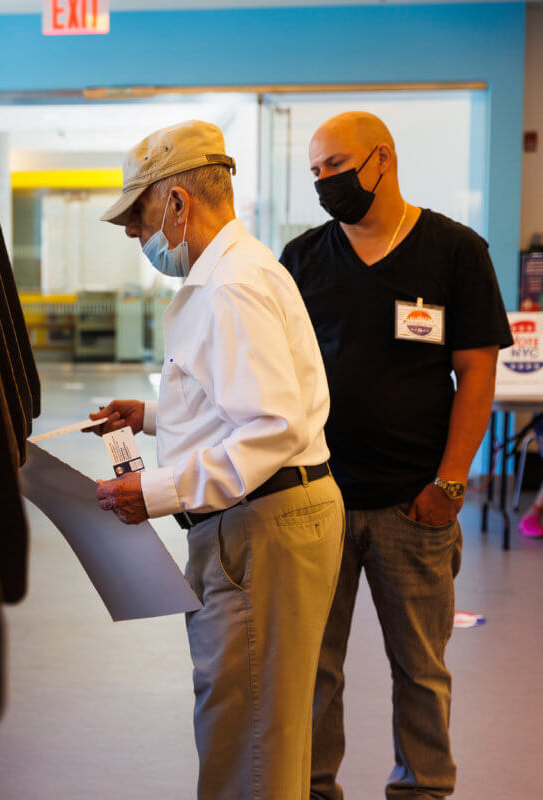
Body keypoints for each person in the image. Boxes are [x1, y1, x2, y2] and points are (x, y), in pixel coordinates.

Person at [89, 120, 344, 800]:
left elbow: (272, 426)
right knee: (254, 729)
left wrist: (159, 489)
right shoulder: (233, 273)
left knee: (249, 741)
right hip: (258, 519)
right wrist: (155, 417)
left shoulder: (233, 285)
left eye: (137, 215)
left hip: (262, 524)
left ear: (177, 202)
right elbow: (238, 403)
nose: (133, 234)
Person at [279, 111, 513, 800]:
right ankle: (314, 788)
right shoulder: (302, 260)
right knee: (314, 669)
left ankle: (423, 790)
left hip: (416, 505)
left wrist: (449, 484)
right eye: (316, 171)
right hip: (316, 500)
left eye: (337, 166)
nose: (325, 181)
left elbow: (476, 373)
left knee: (421, 667)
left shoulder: (455, 251)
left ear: (383, 160)